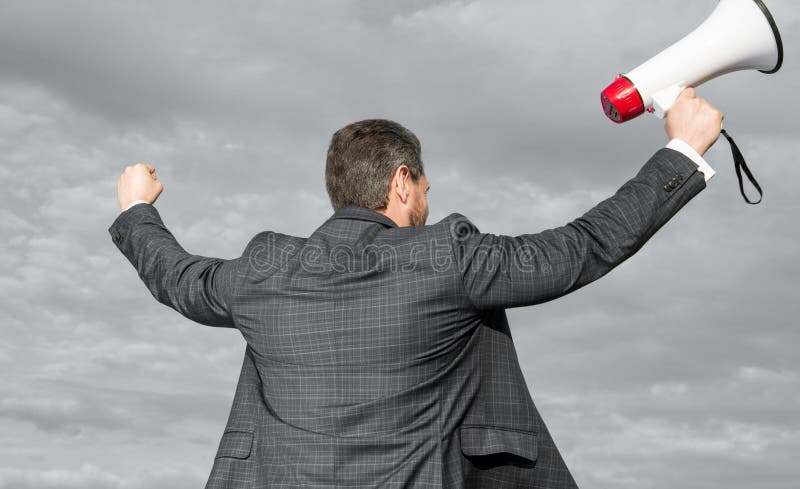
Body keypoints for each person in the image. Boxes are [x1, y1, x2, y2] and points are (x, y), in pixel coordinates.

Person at [109, 87, 722, 488]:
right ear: (403, 181)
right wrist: (682, 149)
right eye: (425, 187)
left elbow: (179, 278)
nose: (429, 200)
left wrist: (138, 209)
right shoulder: (445, 256)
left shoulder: (265, 267)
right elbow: (579, 248)